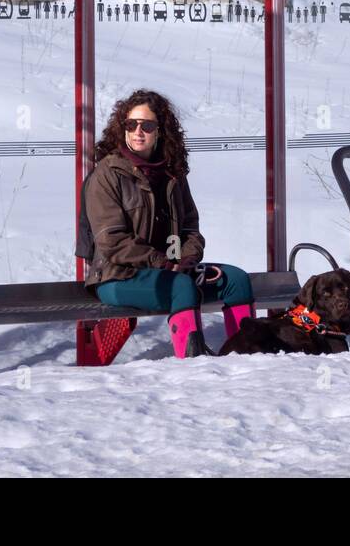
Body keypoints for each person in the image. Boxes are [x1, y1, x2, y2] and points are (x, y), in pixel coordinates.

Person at [83, 89, 254, 358]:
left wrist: (187, 258)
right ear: (123, 128)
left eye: (147, 125)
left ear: (161, 130)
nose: (138, 131)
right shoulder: (107, 175)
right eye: (131, 124)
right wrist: (162, 263)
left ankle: (245, 360)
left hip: (171, 270)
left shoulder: (172, 173)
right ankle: (192, 365)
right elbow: (112, 241)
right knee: (181, 287)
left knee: (237, 280)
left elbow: (189, 228)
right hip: (118, 276)